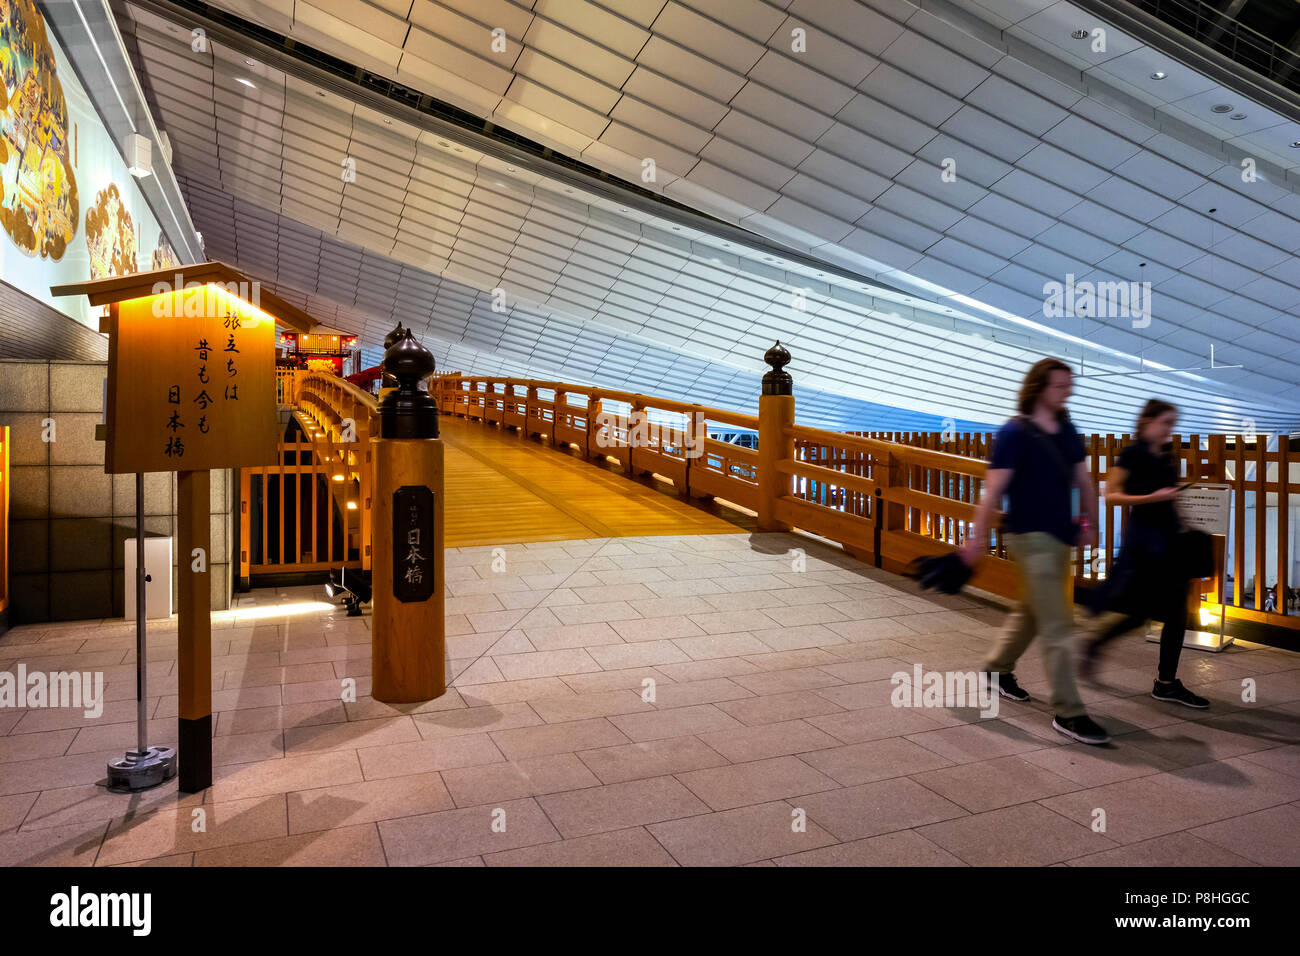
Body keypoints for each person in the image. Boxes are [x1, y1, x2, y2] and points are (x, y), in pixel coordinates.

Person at [960, 357, 1110, 745]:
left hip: (1061, 536)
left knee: (1033, 609)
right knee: (1059, 622)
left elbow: (1083, 480)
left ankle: (997, 668)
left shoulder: (1068, 429)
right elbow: (993, 490)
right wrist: (976, 537)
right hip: (1029, 536)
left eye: (1069, 385)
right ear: (1038, 388)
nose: (1067, 392)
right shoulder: (1015, 433)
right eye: (1060, 385)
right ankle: (1069, 711)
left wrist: (1091, 521)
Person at [1081, 400, 1209, 708]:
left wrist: (1185, 524)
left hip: (1168, 542)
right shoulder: (1132, 454)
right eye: (1165, 423)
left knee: (1174, 614)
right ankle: (1100, 646)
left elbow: (1172, 497)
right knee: (1144, 613)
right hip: (1145, 544)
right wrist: (1153, 497)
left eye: (1172, 424)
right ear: (1147, 422)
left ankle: (1165, 681)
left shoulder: (1166, 455)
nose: (1169, 429)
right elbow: (1110, 494)